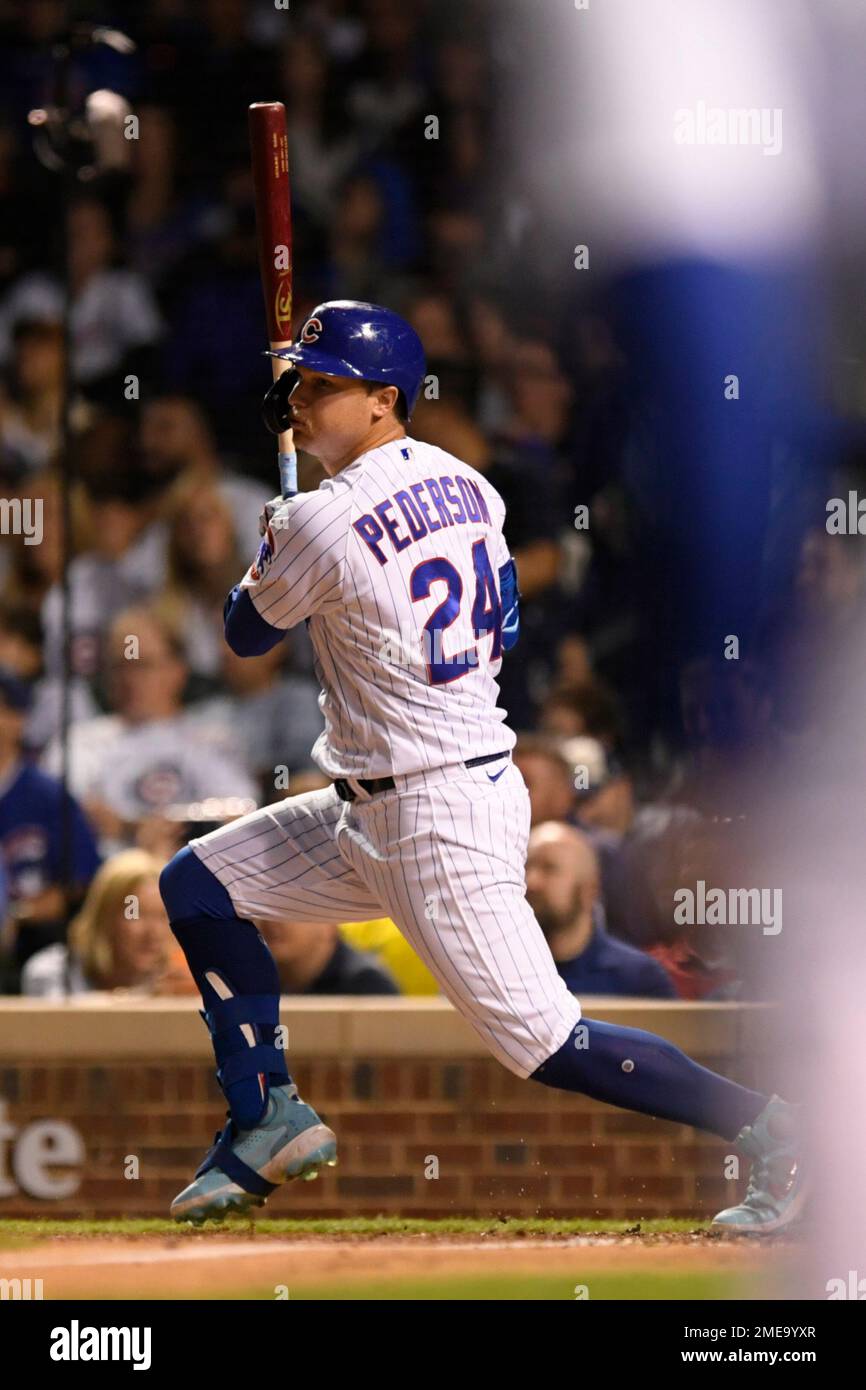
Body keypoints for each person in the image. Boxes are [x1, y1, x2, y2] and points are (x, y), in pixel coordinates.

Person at [158, 299, 803, 1233]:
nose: (299, 398)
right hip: (396, 790)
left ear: (386, 400)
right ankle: (265, 1114)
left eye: (323, 384)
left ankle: (776, 1130)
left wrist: (277, 531)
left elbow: (243, 635)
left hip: (432, 809)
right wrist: (298, 515)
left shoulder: (319, 520)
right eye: (297, 381)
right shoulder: (473, 485)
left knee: (549, 1045)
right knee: (198, 884)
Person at [525, 822, 675, 999]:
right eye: (526, 867)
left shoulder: (638, 980)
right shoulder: (501, 970)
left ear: (589, 891)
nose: (531, 881)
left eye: (549, 868)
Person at [21, 849, 190, 998]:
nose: (153, 933)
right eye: (136, 914)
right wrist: (143, 999)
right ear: (104, 916)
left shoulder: (182, 981)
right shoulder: (53, 972)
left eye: (163, 916)